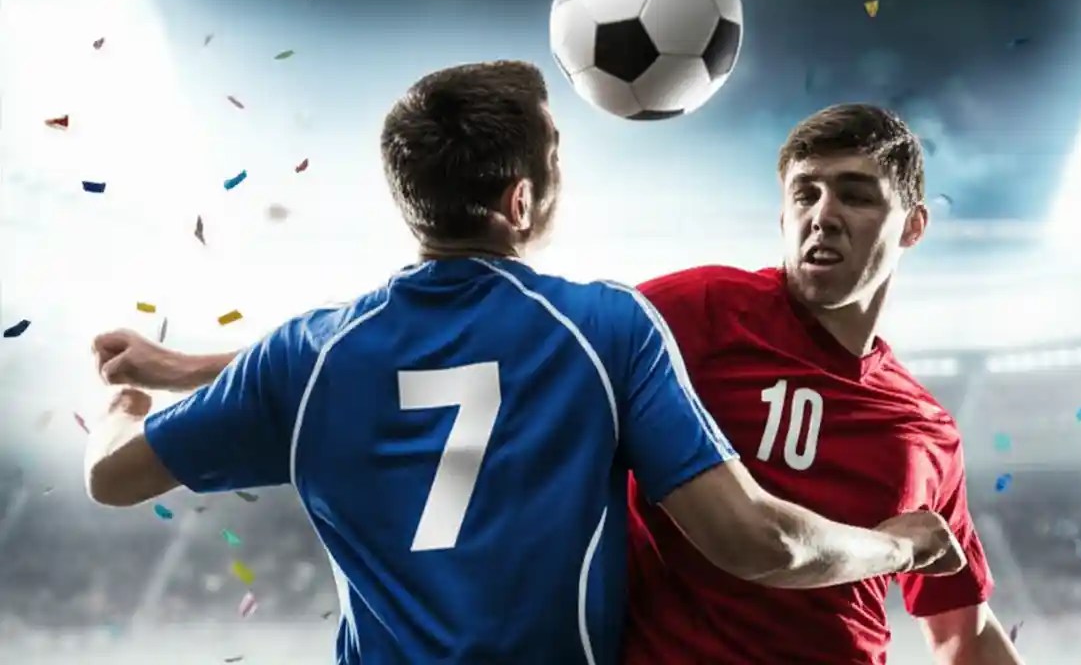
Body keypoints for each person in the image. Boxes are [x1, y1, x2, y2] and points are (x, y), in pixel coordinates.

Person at [83, 62, 965, 665]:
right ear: (520, 202)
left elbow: (113, 479)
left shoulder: (308, 356)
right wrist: (899, 544)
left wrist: (138, 395)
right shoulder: (603, 329)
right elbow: (756, 542)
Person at [623, 104, 1025, 664]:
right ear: (783, 216)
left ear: (913, 225)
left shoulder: (925, 430)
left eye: (856, 195)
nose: (823, 215)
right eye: (805, 194)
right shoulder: (697, 314)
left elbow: (964, 635)